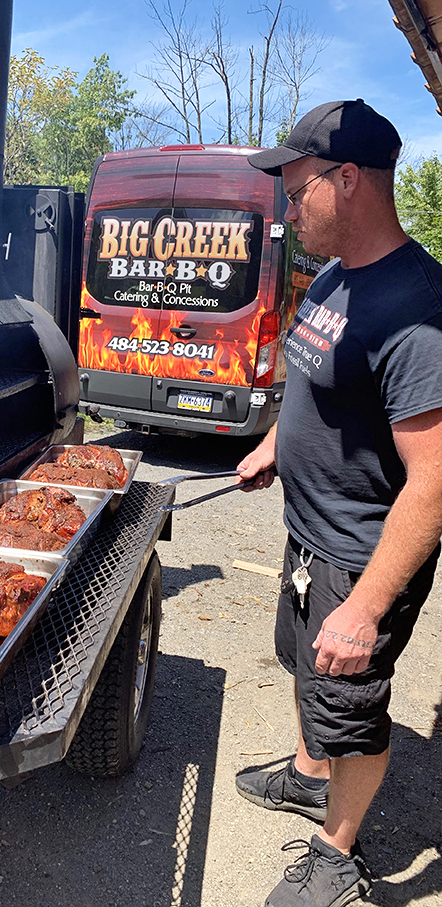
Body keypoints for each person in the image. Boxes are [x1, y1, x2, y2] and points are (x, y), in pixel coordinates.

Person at [234, 98, 442, 907]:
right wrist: (271, 447)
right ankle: (306, 772)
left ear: (348, 179)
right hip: (306, 535)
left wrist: (367, 604)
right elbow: (311, 386)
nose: (288, 210)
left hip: (362, 553)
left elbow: (434, 479)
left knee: (350, 701)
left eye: (297, 190)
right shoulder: (332, 278)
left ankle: (337, 849)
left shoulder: (417, 311)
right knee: (303, 665)